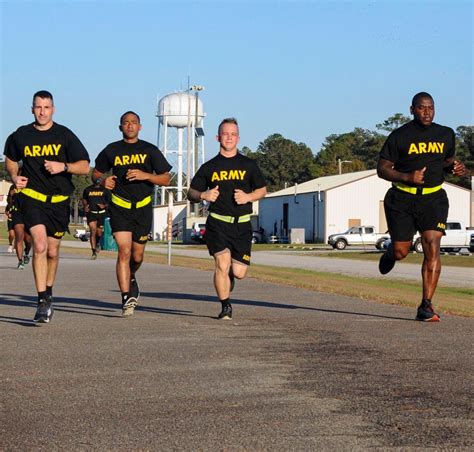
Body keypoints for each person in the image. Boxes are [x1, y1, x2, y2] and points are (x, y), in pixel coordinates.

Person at [377, 92, 467, 322]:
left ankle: (426, 305)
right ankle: (391, 252)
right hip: (402, 198)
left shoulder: (445, 134)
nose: (427, 112)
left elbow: (446, 161)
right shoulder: (400, 136)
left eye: (430, 108)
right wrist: (407, 176)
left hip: (433, 199)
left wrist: (455, 167)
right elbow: (382, 168)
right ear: (412, 110)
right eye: (421, 108)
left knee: (432, 245)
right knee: (401, 251)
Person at [4, 90, 90, 323]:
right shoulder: (20, 135)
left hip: (59, 202)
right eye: (38, 107)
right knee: (40, 245)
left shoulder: (64, 135)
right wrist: (14, 176)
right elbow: (10, 159)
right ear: (32, 108)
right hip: (32, 198)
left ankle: (48, 292)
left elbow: (84, 166)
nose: (42, 111)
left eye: (46, 107)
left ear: (53, 109)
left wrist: (63, 167)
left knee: (52, 251)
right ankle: (42, 301)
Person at [92, 111, 171, 317]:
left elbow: (166, 178)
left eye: (134, 122)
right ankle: (126, 297)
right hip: (119, 207)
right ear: (120, 127)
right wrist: (102, 182)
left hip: (143, 208)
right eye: (126, 123)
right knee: (124, 252)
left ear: (140, 127)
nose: (130, 126)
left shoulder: (149, 150)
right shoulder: (111, 150)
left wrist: (145, 175)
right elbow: (96, 173)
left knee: (137, 255)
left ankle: (132, 276)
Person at [188, 118, 267, 320]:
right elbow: (192, 192)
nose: (229, 137)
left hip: (242, 225)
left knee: (239, 272)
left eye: (233, 134)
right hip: (217, 223)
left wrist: (248, 197)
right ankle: (226, 307)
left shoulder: (249, 164)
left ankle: (230, 275)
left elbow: (262, 189)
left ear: (238, 138)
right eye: (225, 133)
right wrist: (204, 196)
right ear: (218, 137)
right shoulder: (209, 167)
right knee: (222, 263)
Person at [6, 183, 32, 269]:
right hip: (17, 214)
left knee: (28, 239)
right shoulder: (13, 188)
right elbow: (9, 201)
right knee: (19, 237)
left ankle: (27, 253)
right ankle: (20, 261)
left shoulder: (29, 186)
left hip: (28, 214)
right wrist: (12, 195)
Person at [81, 181, 110, 259]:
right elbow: (84, 199)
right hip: (91, 213)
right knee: (92, 231)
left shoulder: (105, 190)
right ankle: (93, 252)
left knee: (99, 233)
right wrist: (85, 206)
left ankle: (98, 243)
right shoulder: (88, 189)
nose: (98, 181)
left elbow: (109, 201)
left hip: (101, 213)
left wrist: (104, 205)